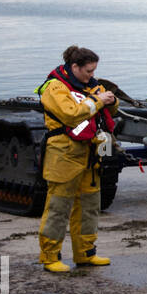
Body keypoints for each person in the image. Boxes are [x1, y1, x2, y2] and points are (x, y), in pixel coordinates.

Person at [35, 46, 119, 273]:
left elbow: (108, 111)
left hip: (91, 155)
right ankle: (50, 255)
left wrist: (111, 101)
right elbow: (71, 114)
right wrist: (99, 100)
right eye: (88, 71)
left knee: (90, 206)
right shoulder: (55, 88)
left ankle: (86, 253)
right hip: (64, 154)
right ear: (75, 67)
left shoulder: (93, 85)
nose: (92, 75)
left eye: (93, 71)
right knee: (58, 207)